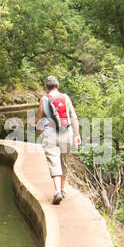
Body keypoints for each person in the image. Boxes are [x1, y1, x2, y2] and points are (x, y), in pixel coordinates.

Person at [38, 75, 79, 204]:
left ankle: (57, 191)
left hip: (50, 134)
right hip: (66, 132)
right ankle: (62, 188)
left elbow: (40, 118)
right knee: (64, 162)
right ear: (58, 85)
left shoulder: (44, 99)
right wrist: (77, 135)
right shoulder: (65, 97)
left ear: (46, 87)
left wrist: (40, 133)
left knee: (54, 162)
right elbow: (74, 117)